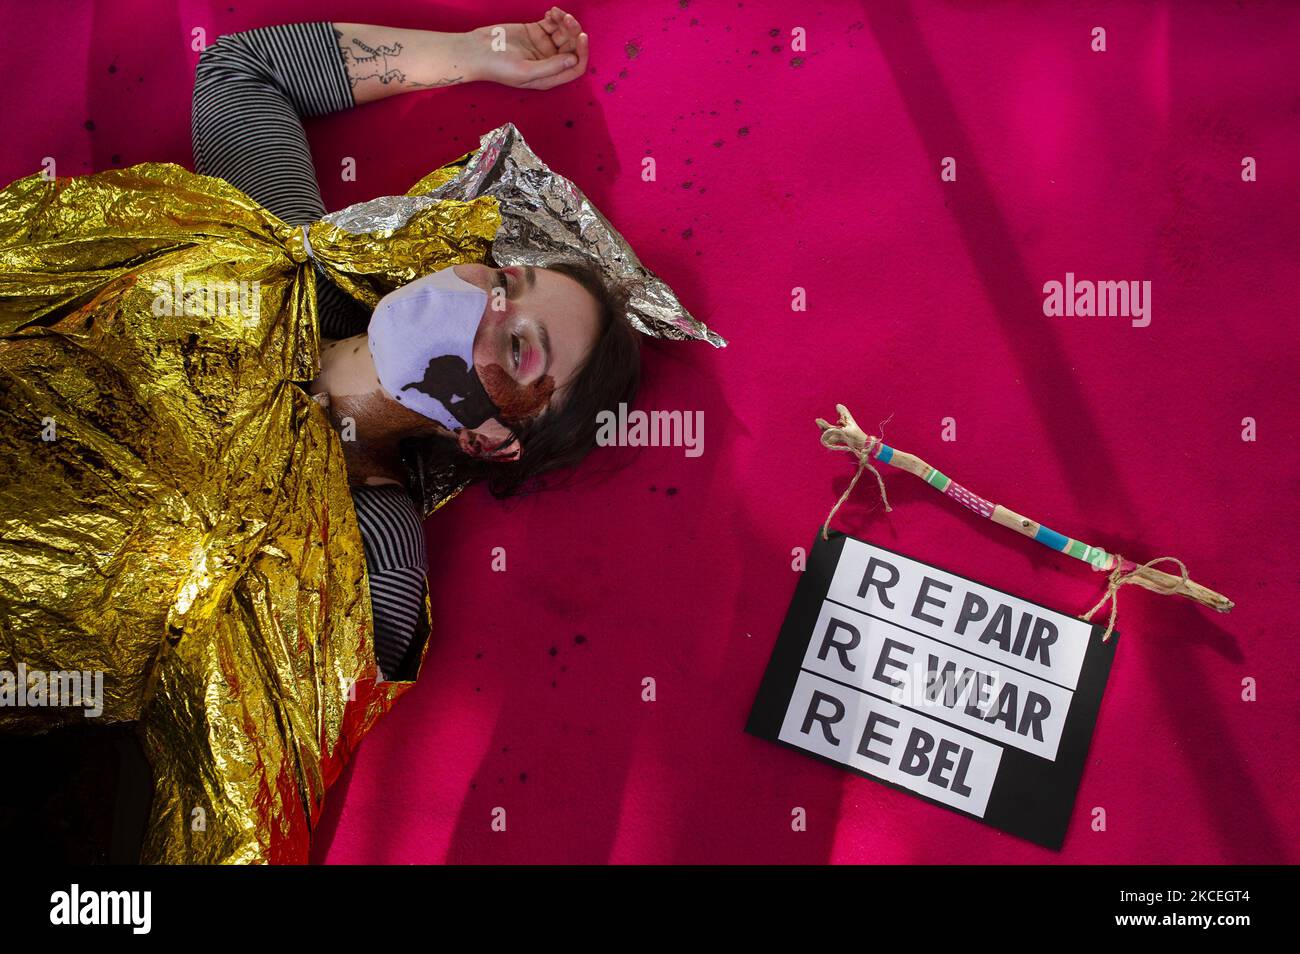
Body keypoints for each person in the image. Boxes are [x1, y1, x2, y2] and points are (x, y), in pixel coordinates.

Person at [192, 10, 642, 679]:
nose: (478, 304)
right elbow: (240, 71)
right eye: (504, 281)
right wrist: (478, 52)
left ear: (487, 439)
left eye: (518, 349)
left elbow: (256, 715)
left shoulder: (371, 547)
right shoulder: (288, 261)